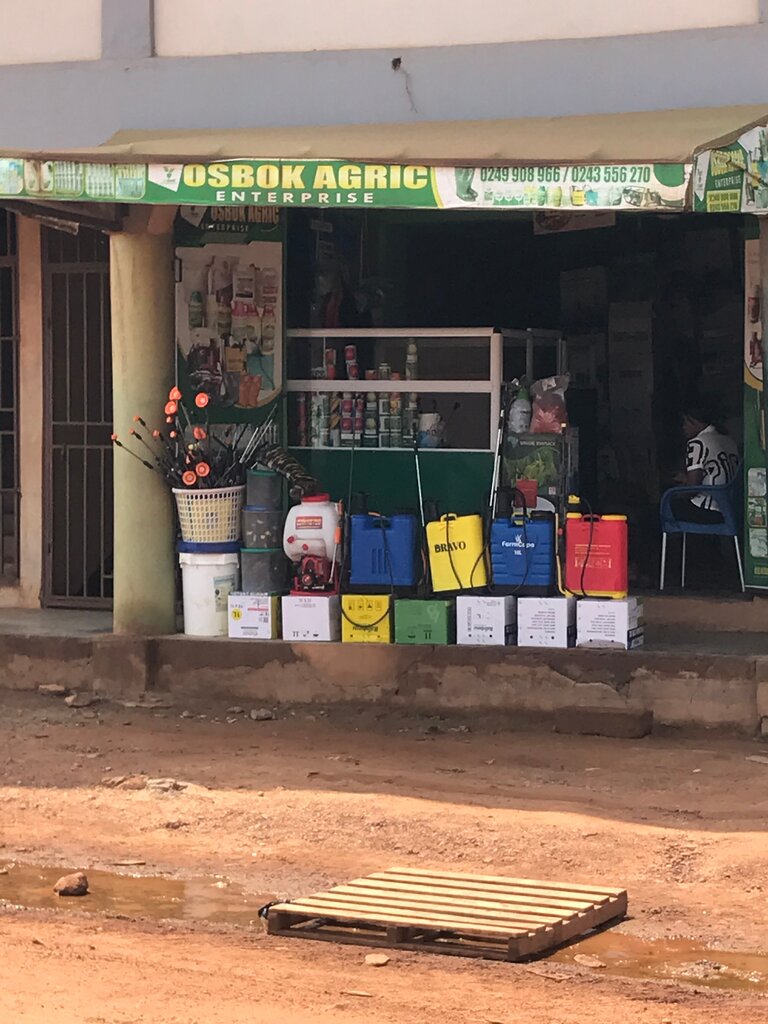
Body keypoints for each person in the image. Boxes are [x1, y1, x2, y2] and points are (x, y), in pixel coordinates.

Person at [671, 404, 739, 524]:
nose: (683, 427)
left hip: (709, 509)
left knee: (669, 504)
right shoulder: (729, 440)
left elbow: (693, 489)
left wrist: (678, 492)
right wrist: (686, 479)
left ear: (695, 422)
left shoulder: (697, 443)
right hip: (731, 508)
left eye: (685, 422)